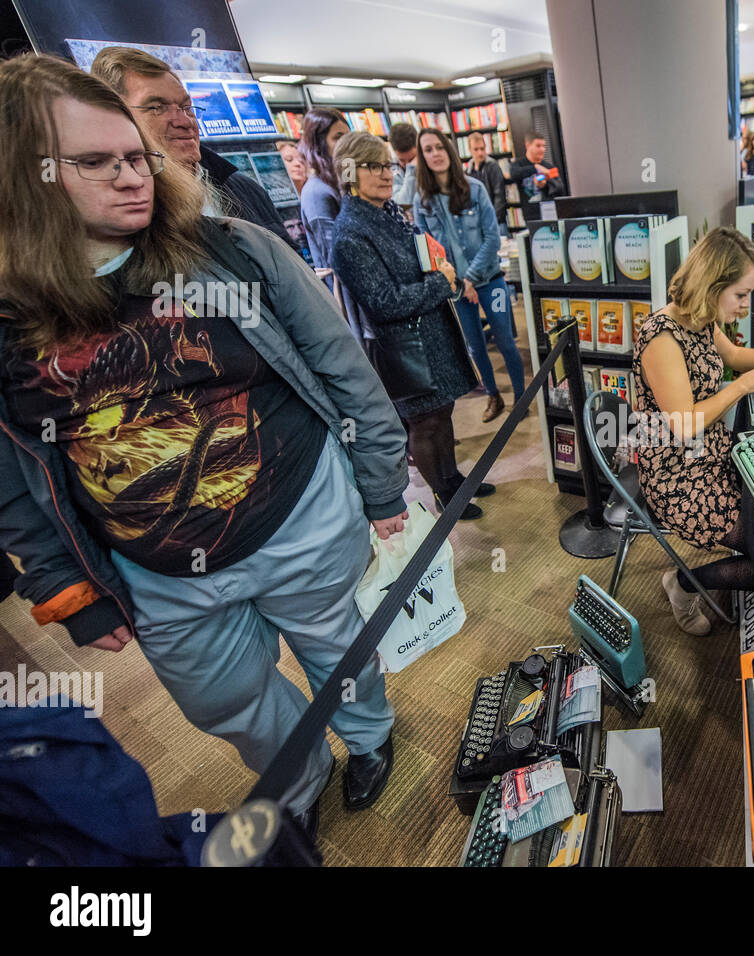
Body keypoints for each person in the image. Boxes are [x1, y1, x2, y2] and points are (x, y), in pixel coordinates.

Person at [0, 54, 408, 839]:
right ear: (25, 180)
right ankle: (301, 773)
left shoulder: (231, 247)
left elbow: (341, 364)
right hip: (150, 566)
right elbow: (10, 480)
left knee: (342, 654)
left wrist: (383, 487)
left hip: (301, 511)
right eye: (94, 162)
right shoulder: (11, 319)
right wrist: (62, 582)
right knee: (224, 700)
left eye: (133, 155)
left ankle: (369, 740)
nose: (131, 177)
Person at [632, 228, 754, 635]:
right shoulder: (661, 337)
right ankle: (681, 585)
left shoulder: (700, 317)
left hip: (712, 454)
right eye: (741, 295)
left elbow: (733, 355)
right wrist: (743, 385)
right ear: (712, 285)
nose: (746, 305)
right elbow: (683, 423)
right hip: (679, 476)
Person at [329, 131, 493, 518]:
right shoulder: (351, 234)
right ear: (349, 172)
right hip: (406, 350)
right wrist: (441, 282)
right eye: (374, 166)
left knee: (443, 413)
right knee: (425, 423)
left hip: (431, 334)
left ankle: (454, 480)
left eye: (388, 165)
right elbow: (383, 304)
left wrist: (439, 274)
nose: (387, 174)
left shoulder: (387, 212)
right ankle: (445, 495)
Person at [90, 46, 295, 249]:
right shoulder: (119, 211)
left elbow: (291, 269)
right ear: (115, 116)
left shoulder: (245, 188)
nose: (184, 121)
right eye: (156, 108)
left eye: (186, 107)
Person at [414, 127, 527, 422]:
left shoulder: (475, 189)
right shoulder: (422, 200)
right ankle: (494, 397)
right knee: (476, 348)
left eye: (439, 147)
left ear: (449, 150)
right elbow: (428, 250)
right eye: (428, 149)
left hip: (491, 282)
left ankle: (521, 399)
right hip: (456, 290)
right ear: (421, 157)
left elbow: (492, 238)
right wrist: (458, 285)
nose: (435, 154)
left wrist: (470, 279)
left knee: (505, 341)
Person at [298, 107, 365, 339]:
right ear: (319, 143)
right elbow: (338, 256)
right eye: (337, 137)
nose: (346, 142)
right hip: (347, 296)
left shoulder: (342, 181)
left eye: (348, 135)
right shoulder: (317, 192)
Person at [466, 130, 509, 227]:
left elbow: (500, 195)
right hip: (478, 223)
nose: (480, 153)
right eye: (476, 149)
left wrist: (493, 220)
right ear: (470, 150)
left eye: (482, 148)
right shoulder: (468, 171)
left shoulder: (493, 166)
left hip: (495, 222)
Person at [509, 131, 566, 203]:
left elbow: (560, 189)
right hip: (529, 212)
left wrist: (544, 185)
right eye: (538, 146)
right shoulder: (518, 164)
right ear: (528, 146)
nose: (542, 149)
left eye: (544, 146)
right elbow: (514, 174)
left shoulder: (549, 167)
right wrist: (535, 168)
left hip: (549, 209)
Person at [387, 121, 418, 207]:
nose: (407, 164)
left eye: (412, 159)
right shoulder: (389, 169)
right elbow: (403, 202)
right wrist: (411, 170)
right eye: (402, 160)